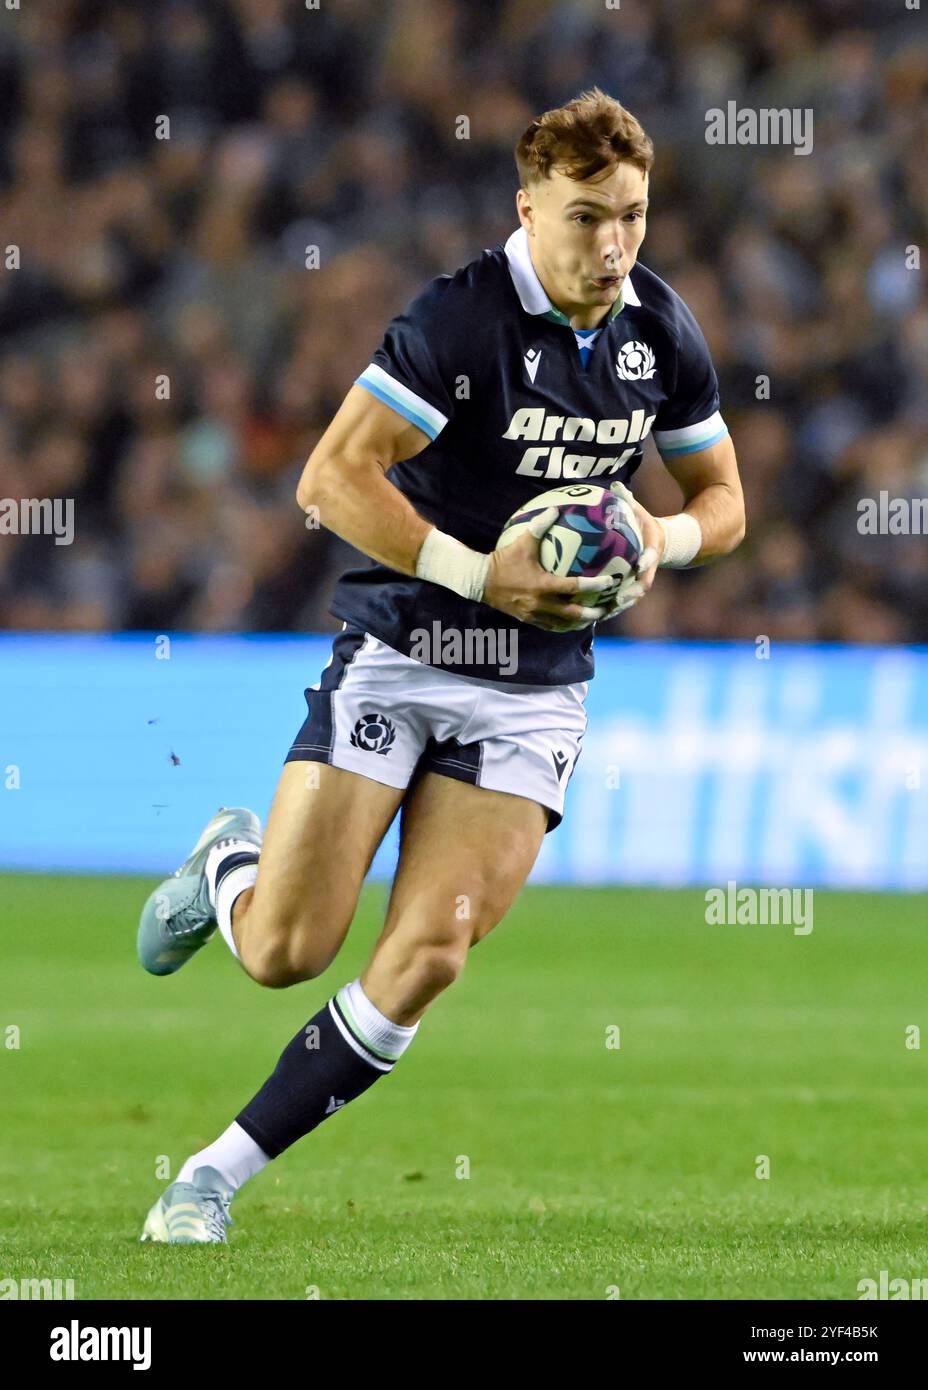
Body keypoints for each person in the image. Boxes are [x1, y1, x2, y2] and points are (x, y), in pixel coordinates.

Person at [136, 87, 745, 1243]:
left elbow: (724, 502)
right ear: (527, 208)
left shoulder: (659, 331)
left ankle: (208, 1177)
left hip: (535, 692)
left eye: (632, 216)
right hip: (404, 650)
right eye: (585, 218)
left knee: (427, 953)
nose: (612, 244)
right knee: (284, 950)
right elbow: (329, 479)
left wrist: (657, 537)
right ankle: (229, 863)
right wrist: (482, 575)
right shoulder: (457, 322)